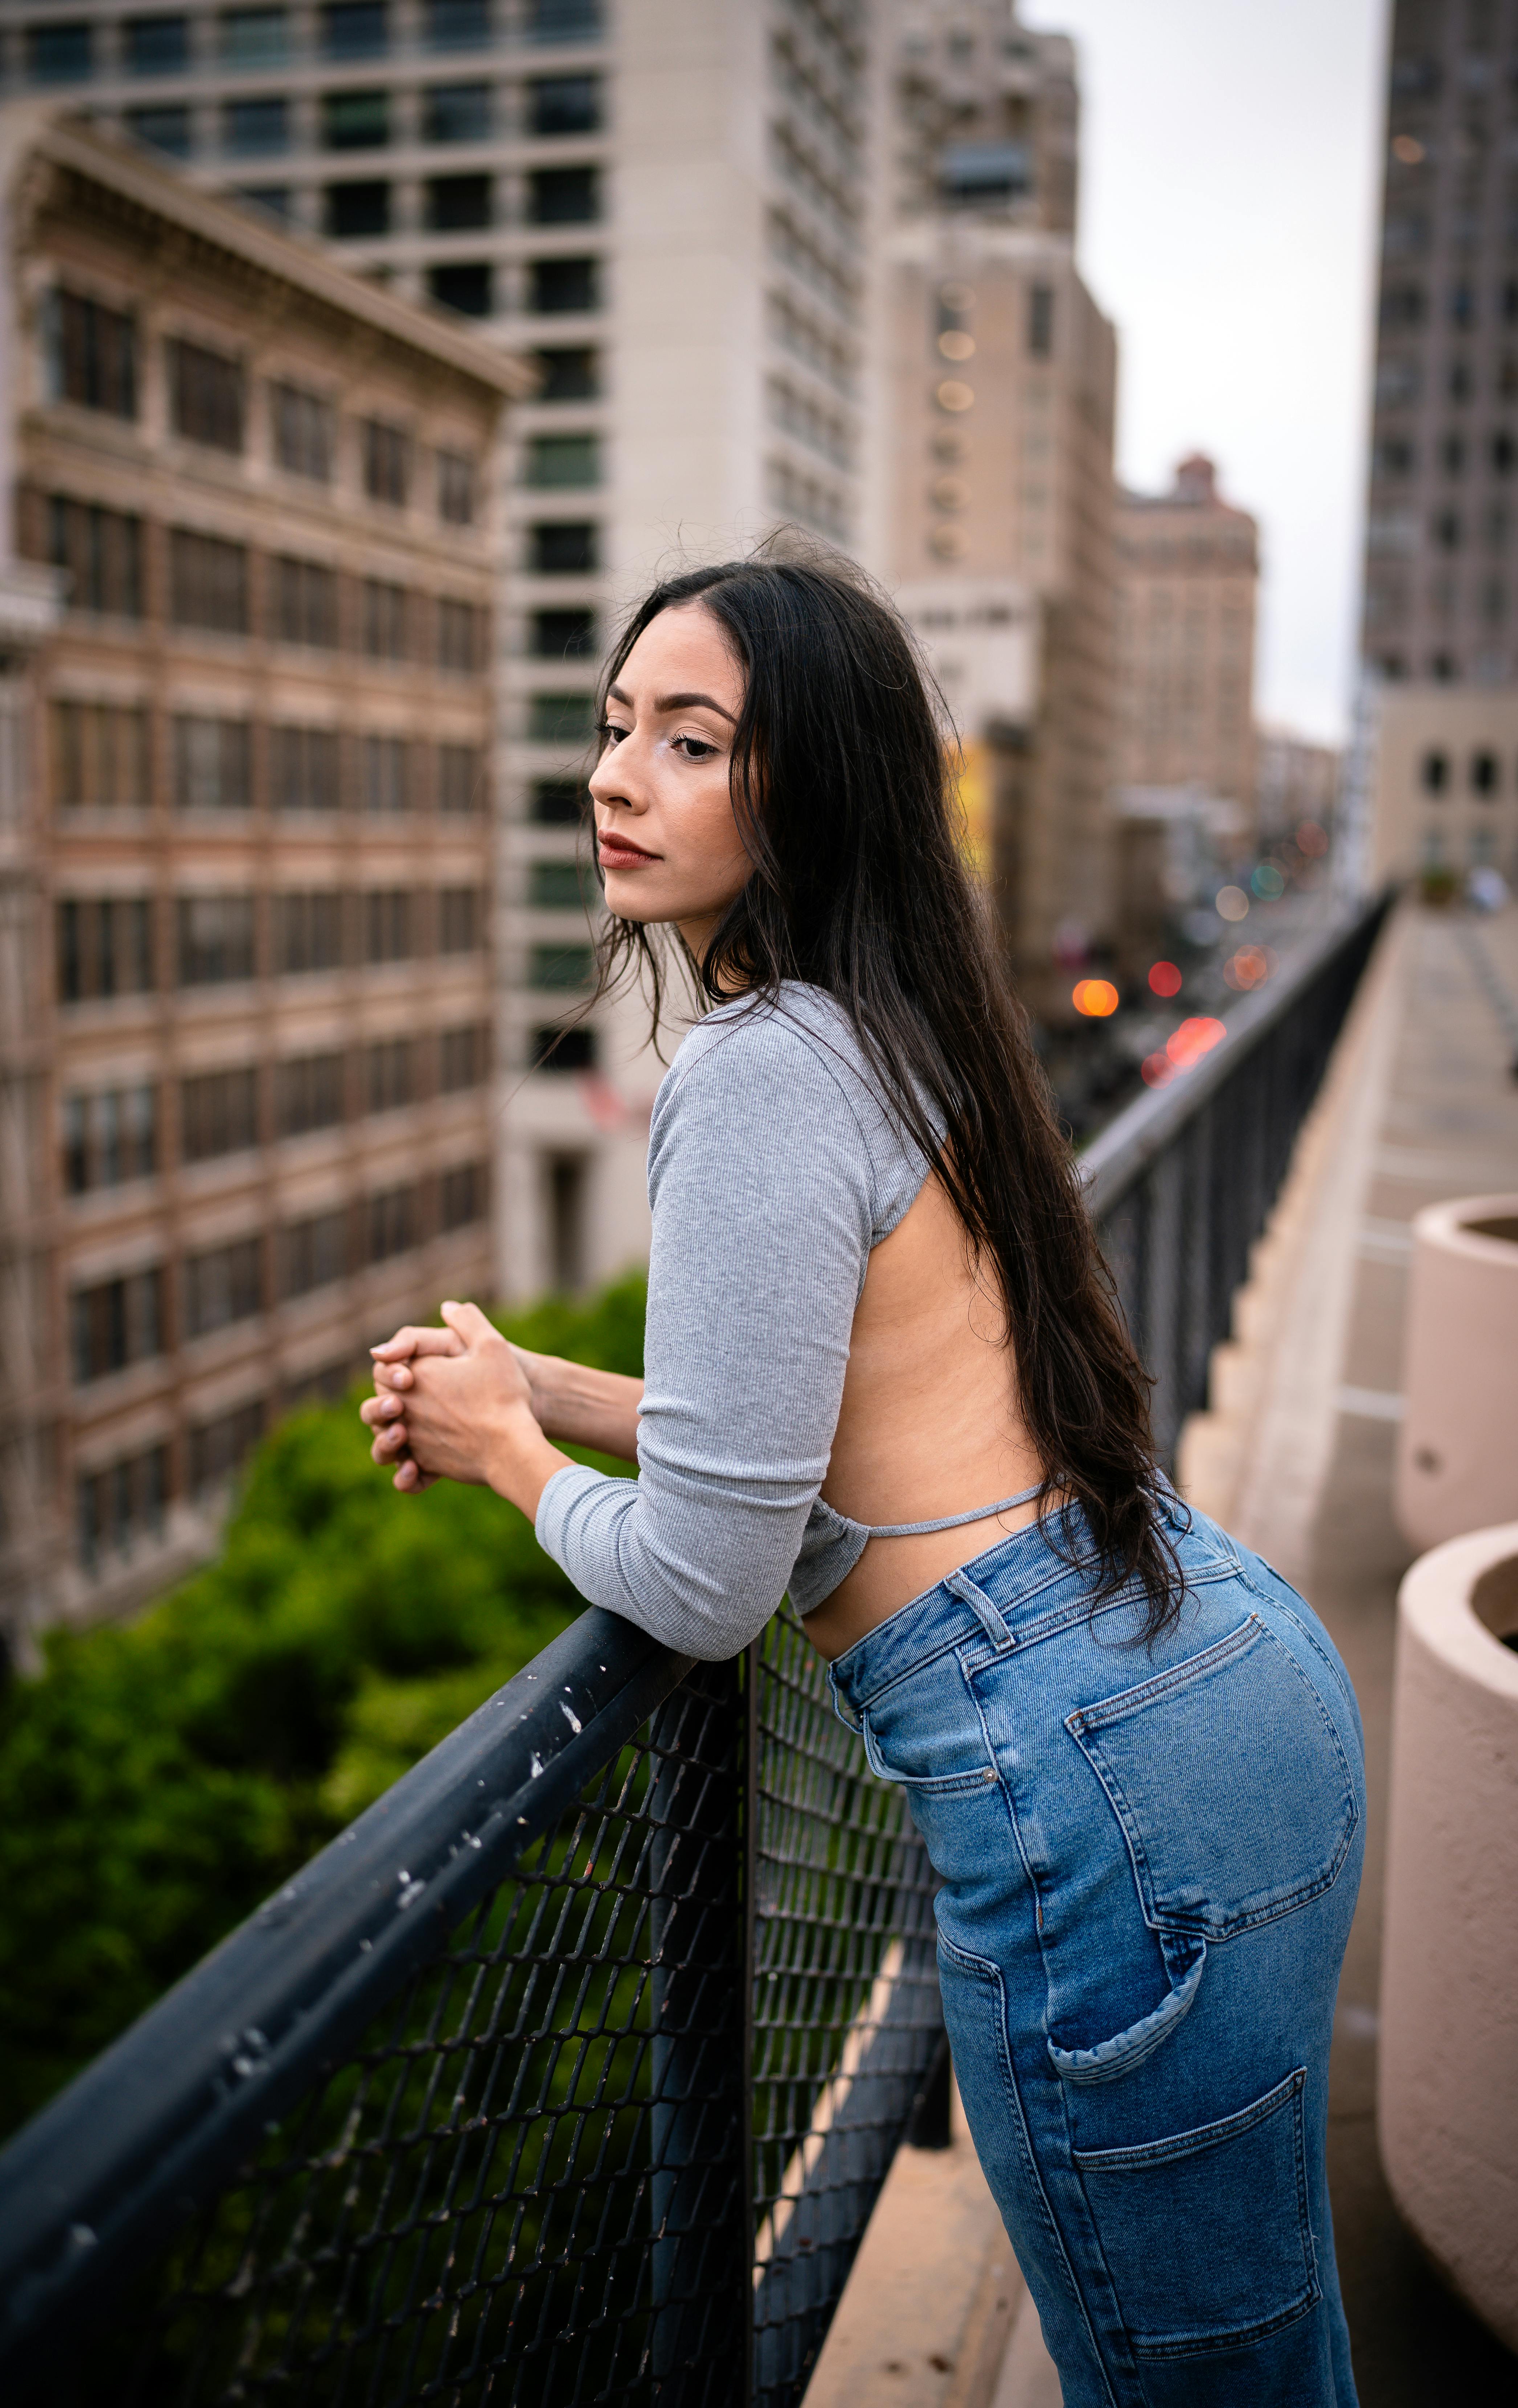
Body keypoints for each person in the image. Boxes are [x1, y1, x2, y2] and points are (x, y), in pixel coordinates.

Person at [360, 549, 1364, 2408]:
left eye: (686, 740)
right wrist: (547, 1388)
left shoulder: (752, 1070)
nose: (612, 776)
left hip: (1089, 1781)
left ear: (807, 783)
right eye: (610, 731)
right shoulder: (911, 1025)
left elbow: (703, 1583)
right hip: (1222, 1668)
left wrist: (506, 1460)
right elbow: (821, 1423)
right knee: (1274, 2345)